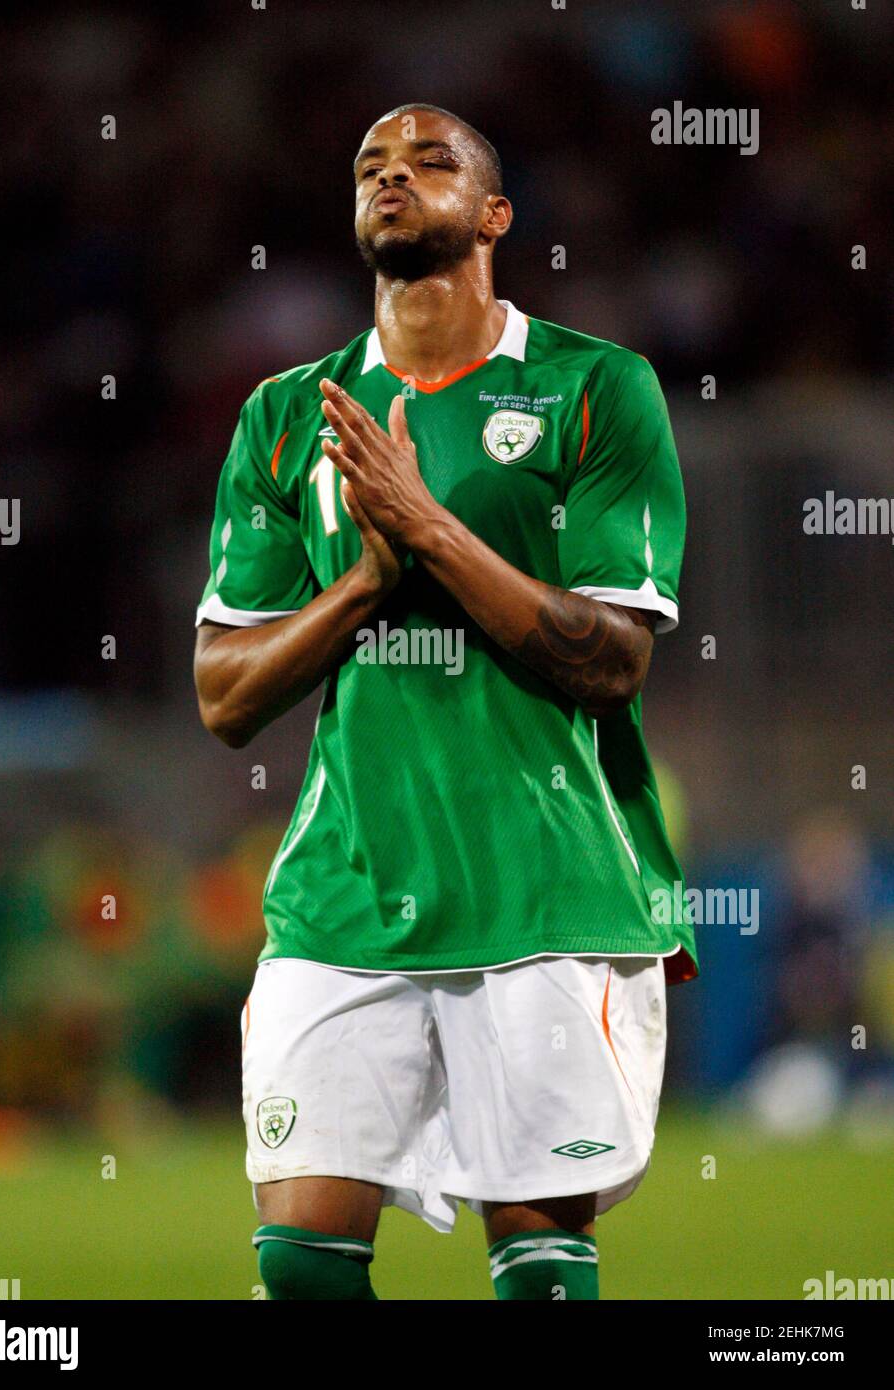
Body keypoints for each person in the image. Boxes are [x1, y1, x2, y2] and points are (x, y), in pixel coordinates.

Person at [193, 103, 697, 1301]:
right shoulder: (286, 415)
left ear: (493, 214)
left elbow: (610, 656)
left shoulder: (594, 388)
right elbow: (224, 694)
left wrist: (425, 526)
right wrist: (367, 581)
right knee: (302, 1277)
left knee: (535, 1277)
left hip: (545, 886)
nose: (392, 177)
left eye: (430, 163)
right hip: (344, 892)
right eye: (370, 164)